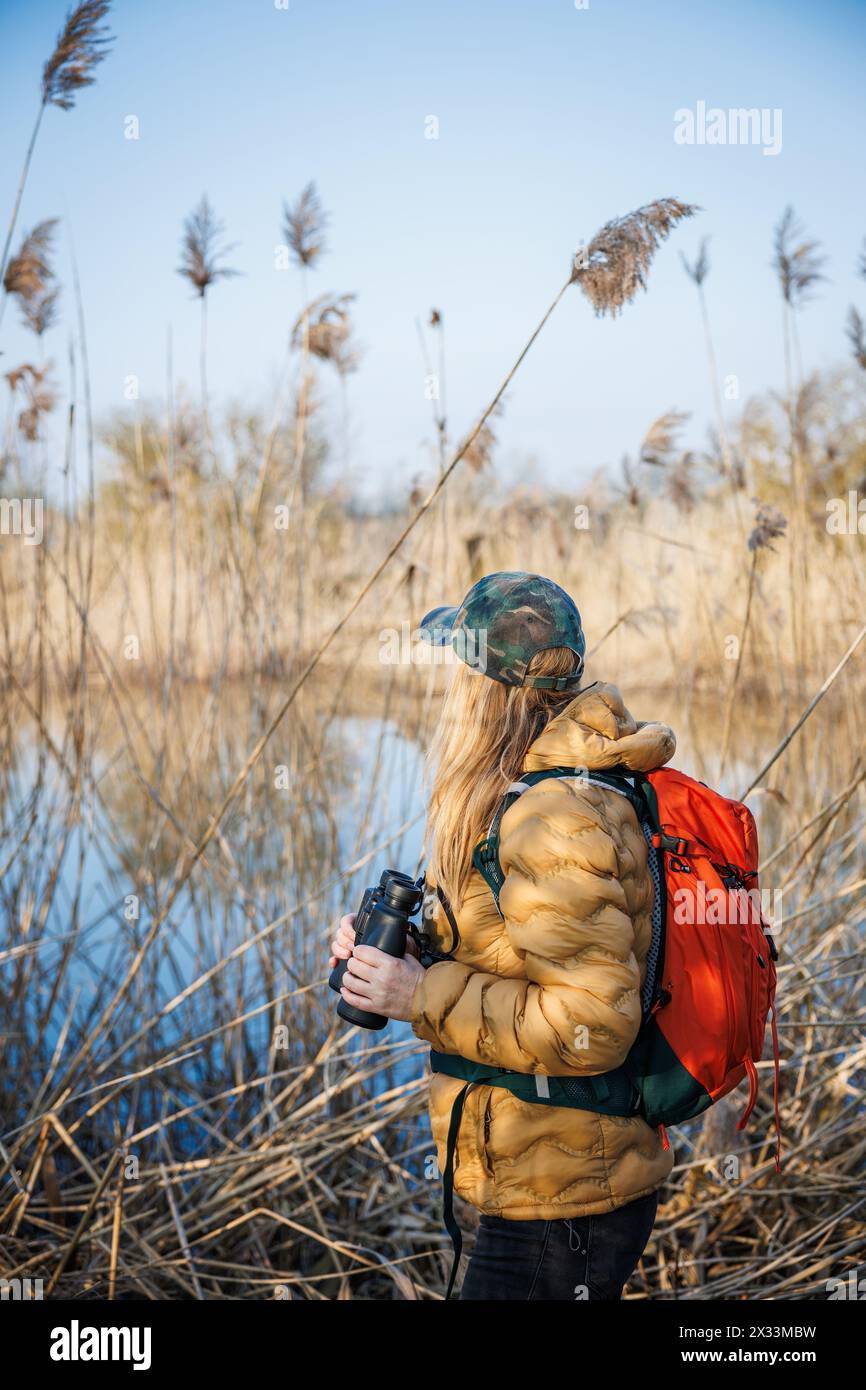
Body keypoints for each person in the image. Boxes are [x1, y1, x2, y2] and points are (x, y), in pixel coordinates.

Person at [329, 571, 676, 1301]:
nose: (447, 691)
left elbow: (592, 1023)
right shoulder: (529, 790)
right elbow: (521, 955)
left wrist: (421, 993)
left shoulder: (554, 818)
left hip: (567, 1194)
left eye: (460, 670)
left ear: (490, 691)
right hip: (541, 1175)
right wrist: (409, 954)